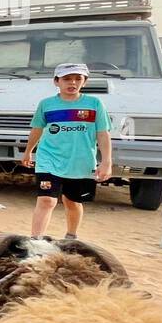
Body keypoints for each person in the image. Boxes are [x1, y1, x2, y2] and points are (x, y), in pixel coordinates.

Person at [20, 62, 111, 239]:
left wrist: (106, 161)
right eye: (67, 79)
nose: (72, 83)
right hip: (49, 159)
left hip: (80, 162)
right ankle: (35, 241)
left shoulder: (94, 104)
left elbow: (103, 133)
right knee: (47, 200)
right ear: (56, 81)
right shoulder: (47, 104)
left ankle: (71, 236)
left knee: (72, 202)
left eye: (78, 79)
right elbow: (37, 128)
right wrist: (28, 151)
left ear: (85, 82)